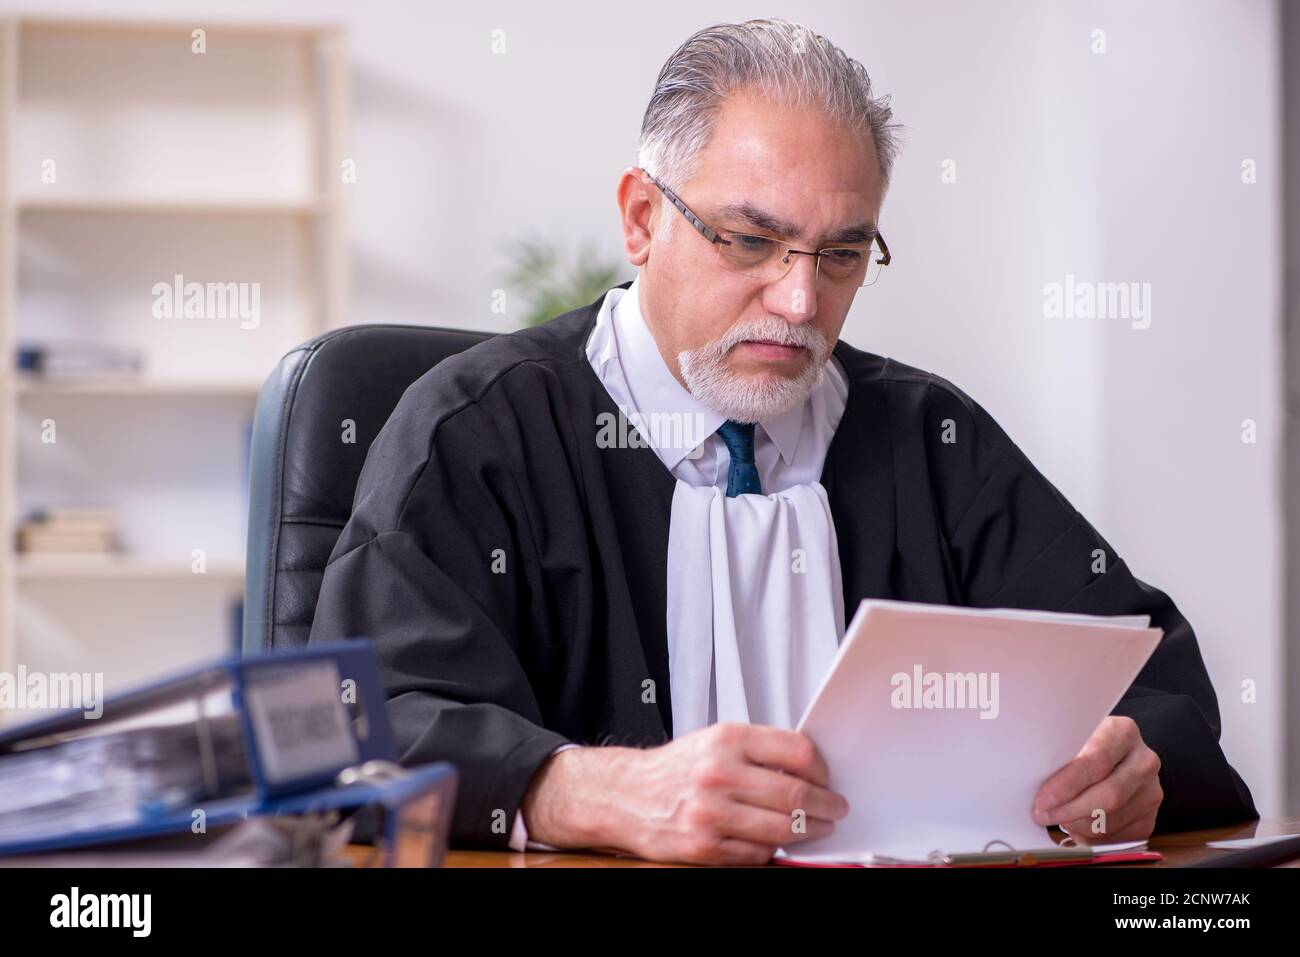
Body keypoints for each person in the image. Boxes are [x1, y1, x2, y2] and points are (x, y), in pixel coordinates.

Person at [309, 18, 1256, 864]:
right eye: (750, 240)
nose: (801, 302)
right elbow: (355, 727)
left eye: (841, 254)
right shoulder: (476, 433)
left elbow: (1147, 670)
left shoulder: (930, 439)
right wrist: (578, 790)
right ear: (643, 218)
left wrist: (1136, 764)